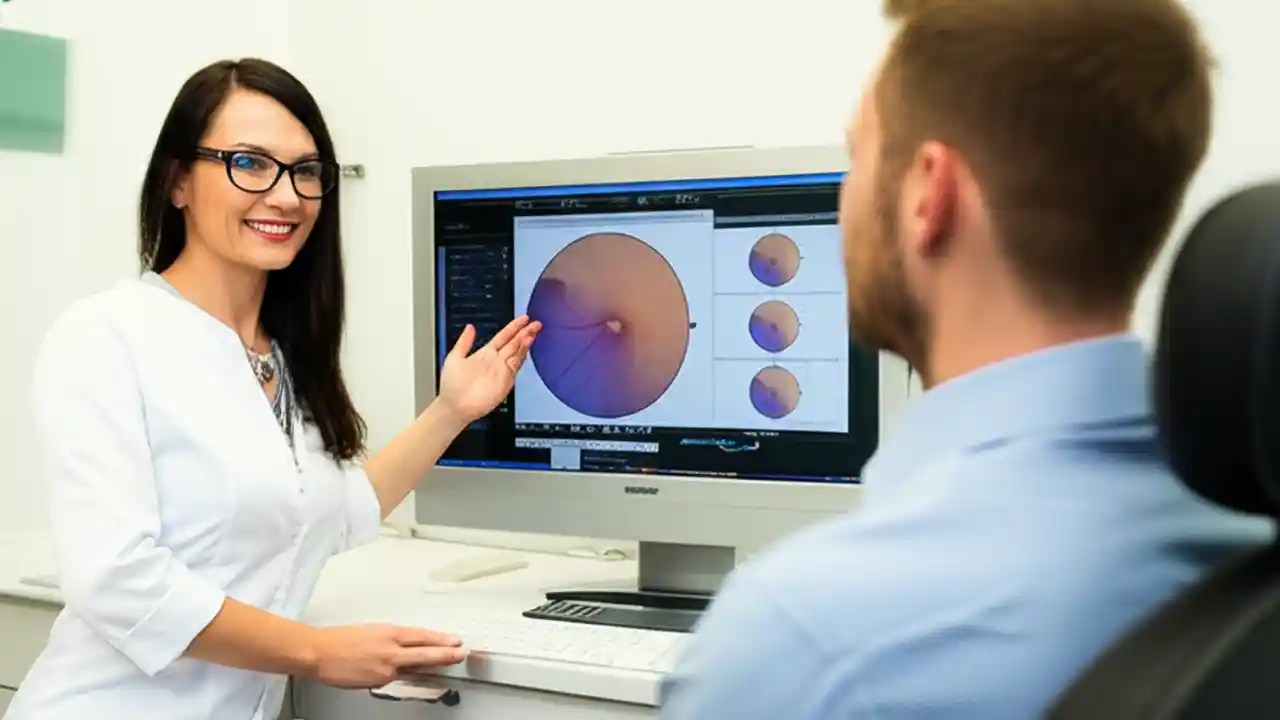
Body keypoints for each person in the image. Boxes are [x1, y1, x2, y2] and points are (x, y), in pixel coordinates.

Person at [659, 0, 1274, 717]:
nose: (844, 198)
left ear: (930, 194)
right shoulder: (1251, 544)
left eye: (859, 157)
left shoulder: (805, 642)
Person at [6, 58, 539, 720]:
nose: (285, 196)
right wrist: (313, 653)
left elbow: (326, 515)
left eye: (305, 171)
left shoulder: (280, 358)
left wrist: (452, 410)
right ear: (177, 181)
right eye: (249, 163)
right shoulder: (105, 336)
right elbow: (117, 580)